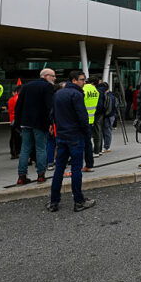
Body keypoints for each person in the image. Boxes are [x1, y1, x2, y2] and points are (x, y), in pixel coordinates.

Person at [47, 70, 96, 212]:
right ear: (74, 80)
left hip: (62, 135)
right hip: (75, 135)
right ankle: (78, 201)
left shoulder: (58, 93)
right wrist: (87, 134)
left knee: (59, 168)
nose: (84, 82)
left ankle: (54, 201)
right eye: (82, 80)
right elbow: (82, 117)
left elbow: (52, 114)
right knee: (76, 169)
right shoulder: (76, 94)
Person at [14, 68, 56, 184]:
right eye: (53, 76)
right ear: (46, 76)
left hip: (25, 122)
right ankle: (41, 175)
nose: (54, 78)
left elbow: (19, 105)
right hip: (40, 123)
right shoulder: (47, 87)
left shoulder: (26, 86)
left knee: (25, 149)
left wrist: (17, 122)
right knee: (41, 148)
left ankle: (21, 176)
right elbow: (50, 106)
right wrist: (51, 122)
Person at [83, 76, 102, 166]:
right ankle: (90, 161)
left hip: (82, 118)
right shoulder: (95, 91)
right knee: (89, 140)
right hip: (92, 117)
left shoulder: (84, 89)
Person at [100, 83, 116, 153]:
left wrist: (104, 115)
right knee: (107, 131)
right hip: (111, 116)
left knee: (107, 131)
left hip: (108, 116)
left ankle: (106, 147)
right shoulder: (112, 95)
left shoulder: (108, 96)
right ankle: (106, 146)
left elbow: (108, 108)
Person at [7, 85, 21, 159]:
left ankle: (14, 152)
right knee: (18, 137)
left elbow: (9, 109)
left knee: (13, 137)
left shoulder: (12, 99)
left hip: (13, 119)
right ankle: (17, 152)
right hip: (18, 119)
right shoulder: (20, 98)